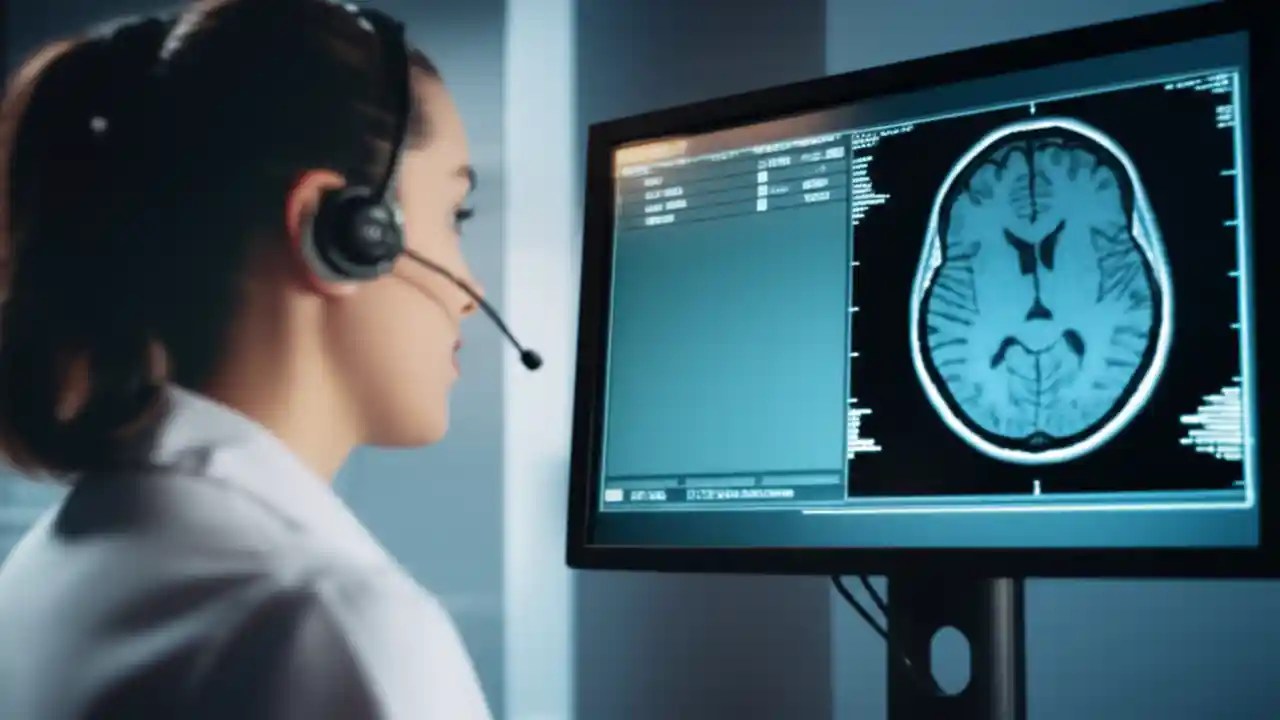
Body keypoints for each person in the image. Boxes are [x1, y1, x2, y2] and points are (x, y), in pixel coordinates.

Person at [0, 1, 496, 717]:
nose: (472, 294)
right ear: (341, 232)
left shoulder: (49, 566)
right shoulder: (326, 617)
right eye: (455, 216)